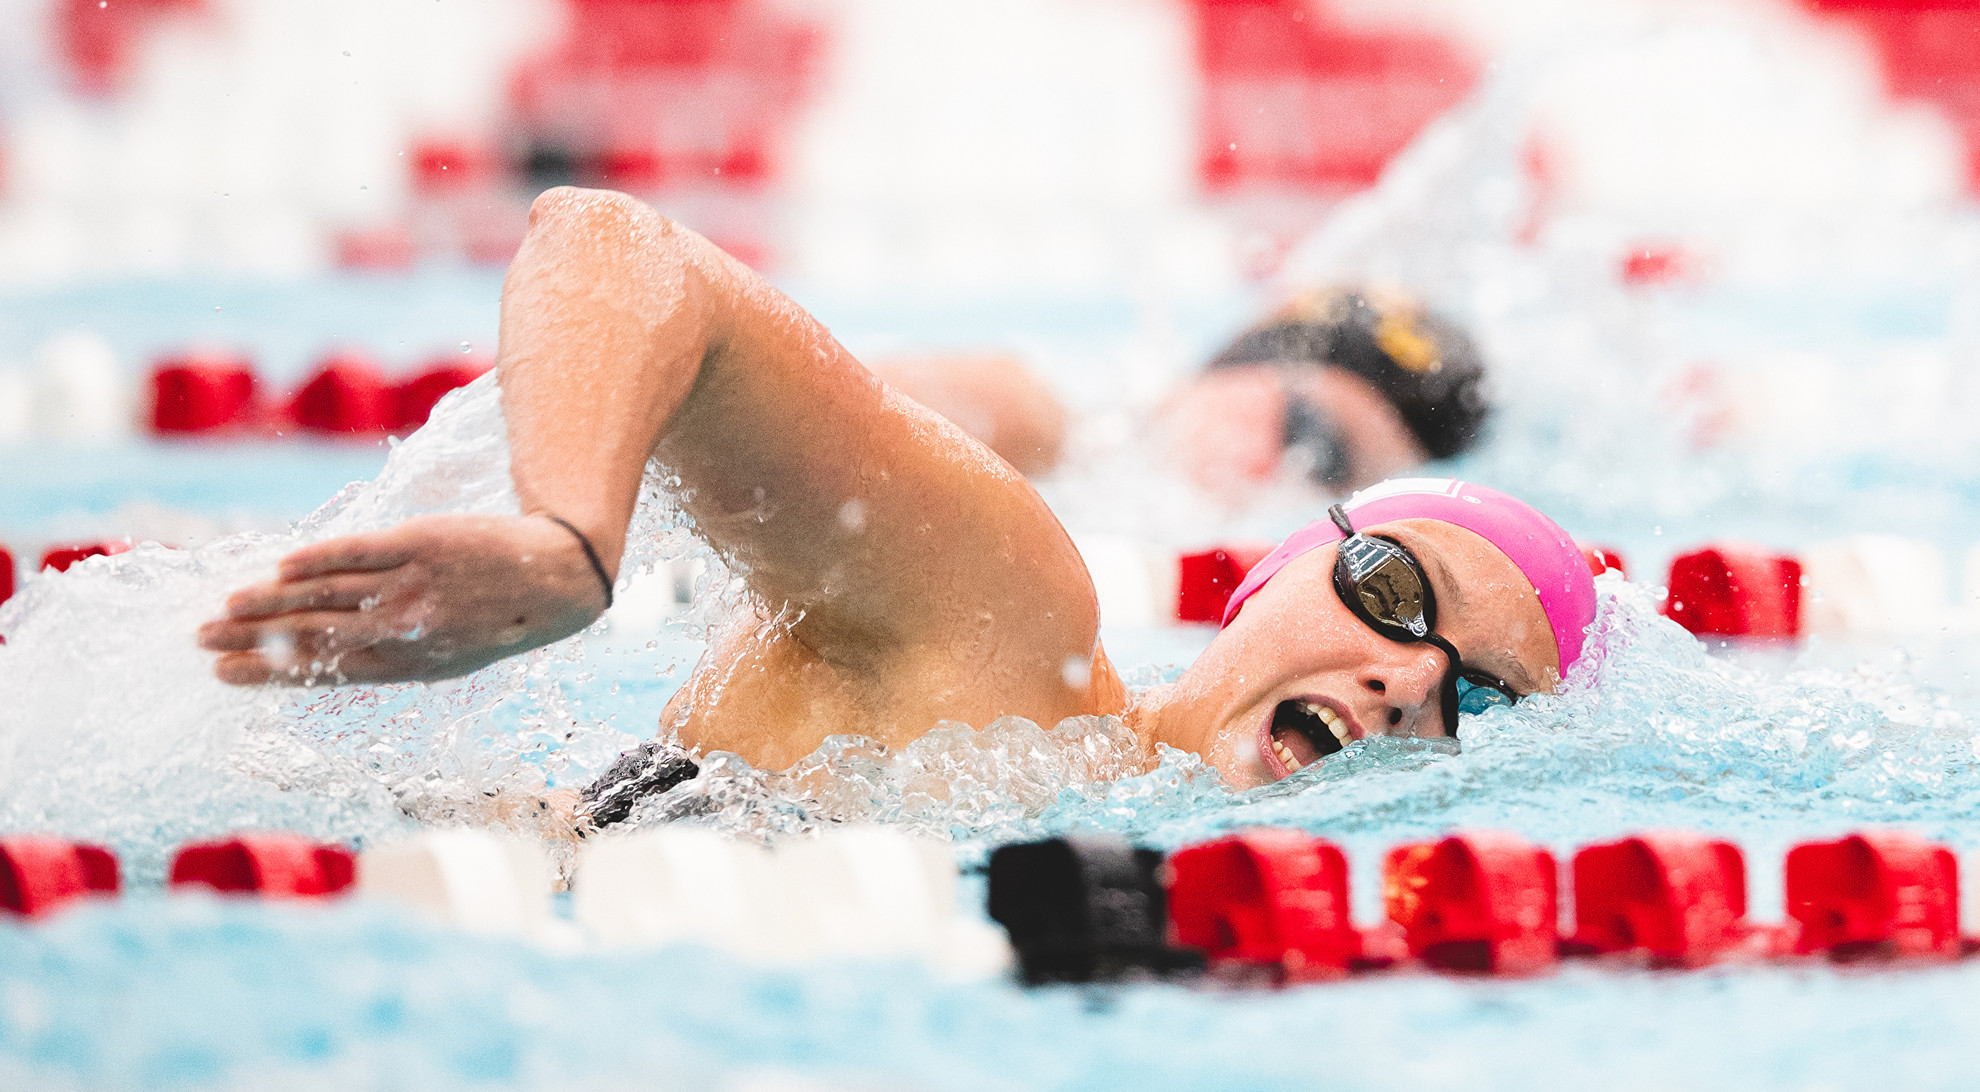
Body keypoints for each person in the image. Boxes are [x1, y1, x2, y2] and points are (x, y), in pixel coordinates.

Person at [195, 188, 1590, 821]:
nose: (1416, 676)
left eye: (1486, 698)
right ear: (1275, 572)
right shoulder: (1004, 610)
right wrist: (568, 537)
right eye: (1401, 593)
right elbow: (616, 246)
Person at [874, 286, 1491, 499]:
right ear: (1239, 365)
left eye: (1336, 489)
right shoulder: (1014, 413)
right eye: (1313, 440)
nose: (1287, 477)